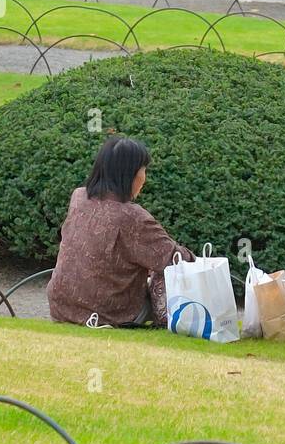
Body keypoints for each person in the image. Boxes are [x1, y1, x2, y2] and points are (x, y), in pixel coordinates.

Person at [47, 135, 194, 327]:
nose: (144, 178)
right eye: (143, 170)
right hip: (107, 313)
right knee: (163, 273)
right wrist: (197, 260)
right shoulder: (132, 217)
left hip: (62, 307)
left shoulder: (79, 197)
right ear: (130, 173)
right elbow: (174, 259)